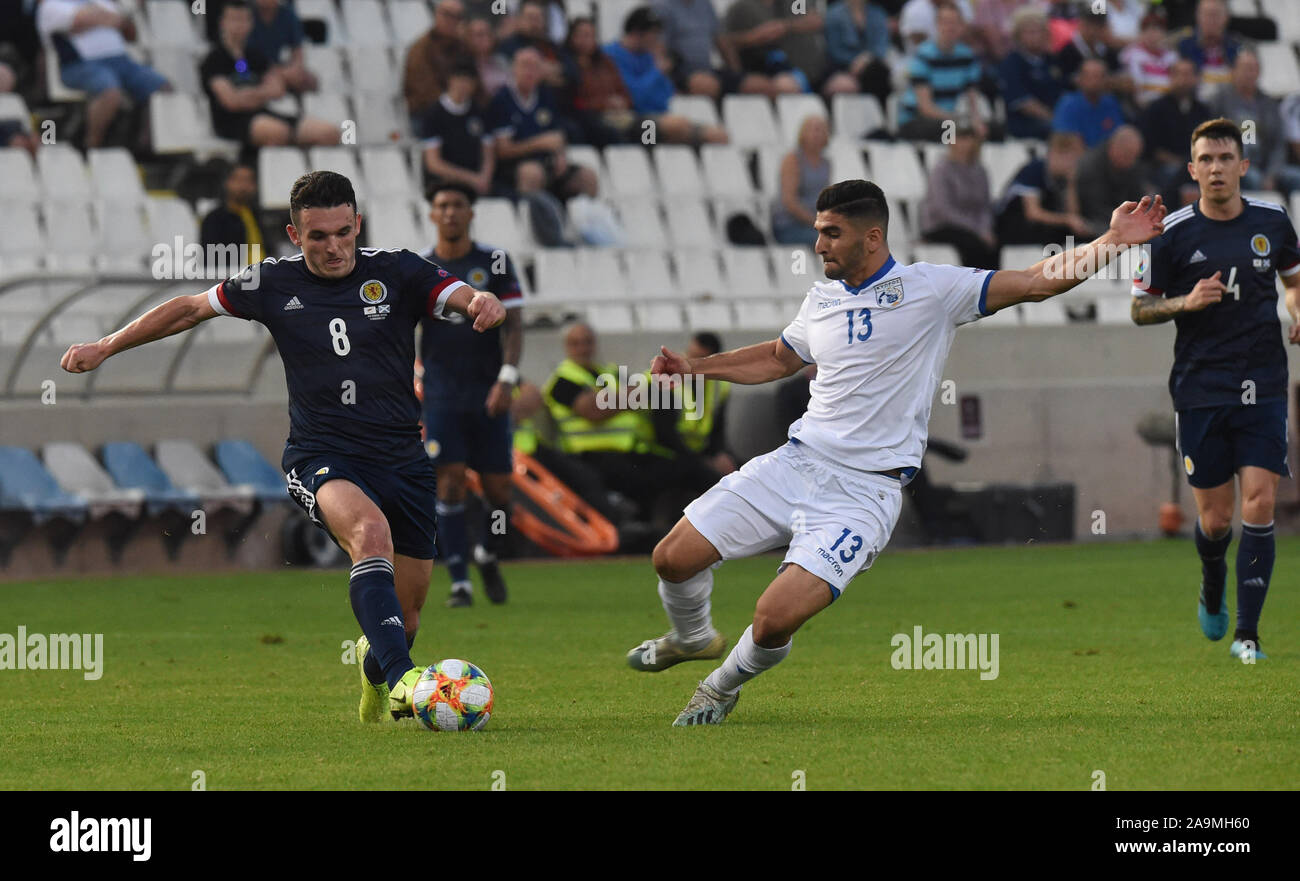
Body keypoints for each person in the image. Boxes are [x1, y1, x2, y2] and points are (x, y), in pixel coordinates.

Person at [626, 178, 1167, 725]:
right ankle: (693, 637)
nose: (819, 246)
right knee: (671, 557)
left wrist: (1113, 241)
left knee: (772, 619)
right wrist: (695, 368)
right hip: (795, 463)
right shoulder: (822, 299)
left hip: (865, 492)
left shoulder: (932, 289)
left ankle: (719, 687)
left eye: (832, 234)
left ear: (873, 237)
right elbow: (776, 358)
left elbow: (1032, 282)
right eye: (818, 233)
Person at [60, 170, 508, 722]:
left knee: (406, 620)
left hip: (403, 460)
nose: (334, 247)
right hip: (322, 455)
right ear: (296, 236)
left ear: (357, 225)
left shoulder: (396, 269)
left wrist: (480, 300)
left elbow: (456, 292)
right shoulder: (271, 282)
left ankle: (380, 662)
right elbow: (189, 308)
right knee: (371, 535)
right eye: (318, 236)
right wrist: (106, 346)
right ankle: (404, 682)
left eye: (343, 232)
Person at [1131, 117, 1300, 663]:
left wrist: (1297, 311)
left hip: (1266, 384)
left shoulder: (1274, 221)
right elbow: (1140, 309)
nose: (1216, 168)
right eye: (1205, 159)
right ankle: (1211, 581)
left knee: (1260, 501)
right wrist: (1186, 302)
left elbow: (1293, 283)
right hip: (1201, 389)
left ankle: (1246, 635)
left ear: (1243, 166)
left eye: (1225, 158)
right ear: (1192, 170)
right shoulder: (1172, 234)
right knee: (1216, 520)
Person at [419, 183, 524, 608]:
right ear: (432, 215)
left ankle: (488, 552)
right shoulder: (422, 267)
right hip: (442, 390)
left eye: (457, 205)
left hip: (488, 388)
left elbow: (515, 324)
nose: (449, 213)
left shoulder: (493, 262)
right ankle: (459, 581)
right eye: (441, 205)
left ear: (470, 212)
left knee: (500, 489)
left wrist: (507, 377)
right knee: (450, 482)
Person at [542, 322, 719, 525]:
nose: (582, 348)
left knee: (690, 469)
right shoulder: (562, 380)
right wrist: (642, 390)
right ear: (566, 346)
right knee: (654, 480)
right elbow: (594, 409)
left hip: (631, 451)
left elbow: (645, 400)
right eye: (575, 343)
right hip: (592, 457)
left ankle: (713, 526)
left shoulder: (610, 372)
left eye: (587, 342)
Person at [200, 0, 338, 148]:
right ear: (223, 22)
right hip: (233, 122)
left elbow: (277, 89)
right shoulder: (214, 59)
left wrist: (248, 94)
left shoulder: (255, 56)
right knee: (276, 132)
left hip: (265, 114)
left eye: (244, 19)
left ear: (251, 23)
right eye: (234, 19)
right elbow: (231, 101)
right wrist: (262, 93)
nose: (239, 25)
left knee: (328, 133)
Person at [36, 0, 170, 149]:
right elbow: (79, 20)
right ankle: (93, 145)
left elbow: (130, 32)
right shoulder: (52, 5)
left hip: (121, 61)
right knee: (110, 92)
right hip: (79, 65)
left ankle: (147, 145)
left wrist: (99, 18)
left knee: (162, 87)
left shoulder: (101, 2)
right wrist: (109, 18)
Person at [603, 6, 729, 145]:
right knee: (667, 127)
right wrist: (656, 71)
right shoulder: (610, 55)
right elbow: (634, 96)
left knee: (718, 135)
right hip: (630, 119)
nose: (657, 39)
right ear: (638, 33)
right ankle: (650, 156)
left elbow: (666, 94)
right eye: (654, 33)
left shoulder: (650, 56)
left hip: (659, 116)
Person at [488, 46, 598, 200]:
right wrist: (539, 143)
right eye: (525, 65)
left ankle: (586, 222)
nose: (530, 72)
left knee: (587, 177)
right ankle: (533, 221)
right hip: (515, 166)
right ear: (513, 68)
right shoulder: (502, 100)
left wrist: (560, 155)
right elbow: (503, 150)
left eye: (535, 67)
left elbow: (556, 135)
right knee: (532, 173)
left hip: (547, 162)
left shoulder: (546, 95)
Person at [1210, 50, 1298, 197]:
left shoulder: (1269, 104)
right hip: (1230, 165)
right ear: (1233, 71)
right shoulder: (1219, 101)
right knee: (1254, 178)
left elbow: (1278, 145)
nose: (1248, 74)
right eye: (1244, 68)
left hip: (1265, 166)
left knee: (1296, 177)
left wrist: (1272, 174)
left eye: (1253, 69)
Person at [897, 3, 987, 143]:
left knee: (992, 130)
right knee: (952, 132)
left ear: (961, 26)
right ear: (937, 25)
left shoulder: (967, 56)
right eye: (945, 22)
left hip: (950, 119)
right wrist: (956, 119)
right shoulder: (923, 55)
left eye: (954, 23)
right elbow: (925, 107)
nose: (949, 27)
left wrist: (977, 121)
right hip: (918, 120)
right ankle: (951, 161)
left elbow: (972, 98)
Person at [919, 126, 998, 270]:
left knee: (996, 243)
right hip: (942, 225)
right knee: (973, 245)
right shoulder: (941, 170)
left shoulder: (980, 171)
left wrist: (985, 228)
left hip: (974, 227)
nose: (966, 144)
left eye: (970, 138)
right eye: (961, 138)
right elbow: (943, 209)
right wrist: (977, 230)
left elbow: (985, 206)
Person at [996, 132, 1091, 246]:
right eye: (1074, 159)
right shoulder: (1034, 170)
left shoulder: (1062, 178)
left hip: (1036, 227)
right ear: (1058, 154)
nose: (1075, 165)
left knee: (1080, 235)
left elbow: (1074, 214)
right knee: (1051, 233)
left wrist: (1071, 184)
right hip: (1011, 225)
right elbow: (1033, 213)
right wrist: (1067, 220)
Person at [417, 61, 495, 197]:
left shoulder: (479, 112)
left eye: (468, 81)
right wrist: (470, 178)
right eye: (460, 80)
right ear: (450, 80)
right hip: (445, 182)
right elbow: (433, 163)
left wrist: (484, 177)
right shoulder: (434, 114)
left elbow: (488, 153)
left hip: (478, 182)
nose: (463, 86)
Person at [1140, 58, 1210, 206]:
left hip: (1198, 164)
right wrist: (1178, 161)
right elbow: (1150, 147)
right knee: (1175, 173)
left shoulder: (1203, 110)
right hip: (1164, 166)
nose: (1184, 79)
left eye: (1188, 74)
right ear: (1171, 78)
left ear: (1196, 78)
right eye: (1179, 74)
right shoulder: (1156, 108)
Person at [997, 6, 1065, 141]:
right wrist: (1053, 118)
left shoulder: (1052, 61)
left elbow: (1063, 90)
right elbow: (1022, 102)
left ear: (1045, 34)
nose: (1034, 36)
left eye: (1037, 31)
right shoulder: (1011, 63)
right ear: (1018, 36)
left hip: (1056, 116)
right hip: (1025, 123)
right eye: (1029, 32)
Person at [654, 0, 744, 99]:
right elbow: (657, 46)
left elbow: (721, 40)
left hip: (707, 69)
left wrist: (736, 71)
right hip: (680, 72)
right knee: (708, 85)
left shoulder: (705, 4)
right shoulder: (662, 6)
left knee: (755, 85)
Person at [675, 332, 737, 476]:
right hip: (674, 452)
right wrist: (702, 461)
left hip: (702, 451)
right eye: (690, 357)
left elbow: (718, 428)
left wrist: (719, 454)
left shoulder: (719, 386)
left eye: (698, 360)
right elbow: (665, 433)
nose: (691, 364)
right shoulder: (669, 380)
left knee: (742, 471)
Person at [403, 0, 475, 122]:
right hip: (429, 115)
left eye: (457, 17)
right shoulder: (420, 49)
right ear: (437, 15)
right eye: (447, 15)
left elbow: (473, 79)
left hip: (460, 109)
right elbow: (424, 92)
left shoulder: (462, 47)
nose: (452, 21)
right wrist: (453, 103)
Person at [1076, 125, 1151, 237]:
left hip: (1119, 218)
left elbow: (1138, 197)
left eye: (1135, 157)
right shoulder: (1091, 166)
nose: (1131, 162)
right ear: (1113, 147)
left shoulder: (1131, 167)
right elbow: (1095, 208)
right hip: (1092, 221)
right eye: (1127, 156)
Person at [771, 115, 830, 247]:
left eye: (821, 129)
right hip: (789, 225)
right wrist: (815, 222)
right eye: (814, 129)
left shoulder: (826, 163)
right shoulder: (793, 160)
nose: (818, 134)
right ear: (803, 133)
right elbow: (789, 201)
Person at [823, 0, 893, 107]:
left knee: (878, 72)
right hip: (842, 66)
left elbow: (881, 45)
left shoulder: (878, 13)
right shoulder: (833, 15)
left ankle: (881, 113)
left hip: (872, 64)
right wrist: (855, 61)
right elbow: (835, 50)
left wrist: (866, 58)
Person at [1176, 0, 1242, 103]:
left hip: (1230, 107)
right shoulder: (1182, 46)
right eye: (1207, 14)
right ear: (1198, 16)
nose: (1211, 20)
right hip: (1195, 106)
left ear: (1226, 18)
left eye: (1216, 15)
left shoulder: (1237, 47)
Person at [1051, 58, 1126, 148]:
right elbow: (1065, 143)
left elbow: (1118, 135)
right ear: (1079, 79)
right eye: (1089, 76)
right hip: (1079, 157)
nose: (1094, 82)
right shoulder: (1068, 104)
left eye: (1099, 77)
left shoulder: (1111, 103)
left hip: (1108, 156)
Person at [199, 162, 264, 266]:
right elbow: (211, 261)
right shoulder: (214, 219)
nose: (244, 186)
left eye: (249, 181)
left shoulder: (260, 217)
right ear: (227, 183)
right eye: (238, 180)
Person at [247, 0, 317, 94]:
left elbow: (298, 55)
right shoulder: (243, 13)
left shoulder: (287, 15)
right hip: (243, 66)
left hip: (276, 69)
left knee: (309, 80)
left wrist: (290, 71)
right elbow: (236, 57)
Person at [1122, 8, 1179, 110]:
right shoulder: (1132, 54)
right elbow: (1137, 87)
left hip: (1170, 105)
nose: (1152, 34)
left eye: (1157, 29)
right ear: (1141, 33)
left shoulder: (1172, 56)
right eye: (1147, 29)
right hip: (1144, 106)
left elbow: (1176, 83)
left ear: (1163, 33)